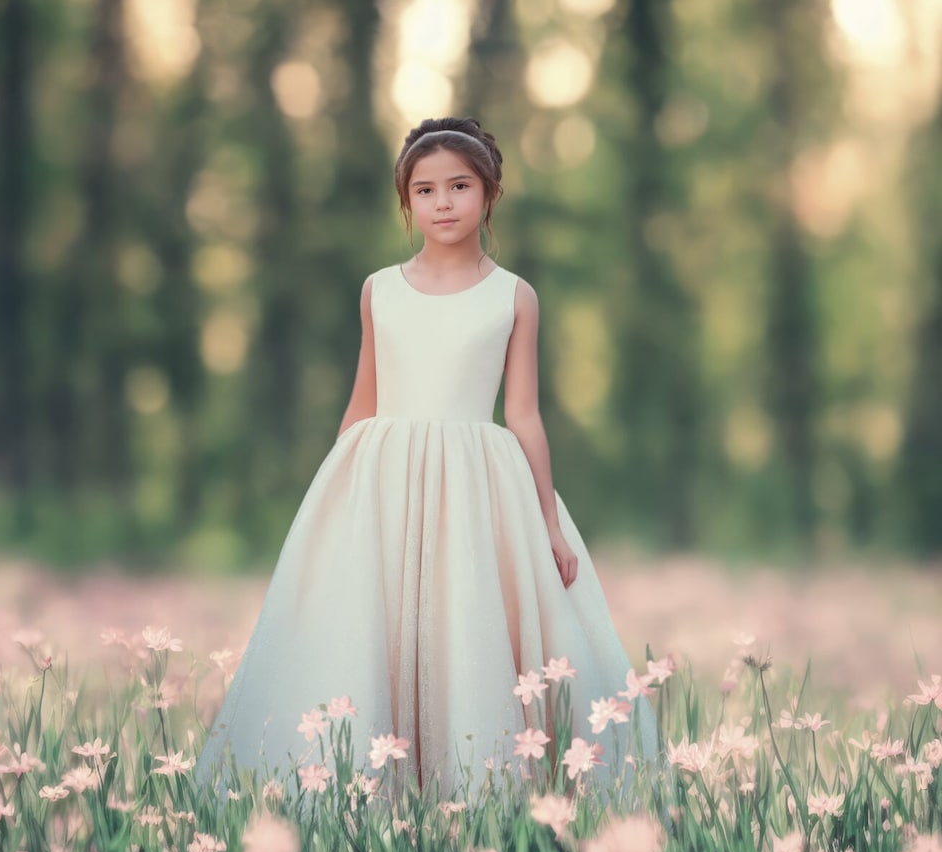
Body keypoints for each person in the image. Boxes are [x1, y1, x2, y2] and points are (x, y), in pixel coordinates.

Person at [194, 116, 659, 804]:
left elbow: (523, 414)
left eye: (460, 186)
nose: (443, 202)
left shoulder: (513, 295)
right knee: (376, 630)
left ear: (489, 193)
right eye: (425, 190)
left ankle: (478, 792)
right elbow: (363, 402)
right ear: (407, 201)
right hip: (382, 479)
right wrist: (332, 504)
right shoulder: (379, 289)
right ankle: (365, 792)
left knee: (465, 622)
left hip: (476, 486)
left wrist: (549, 523)